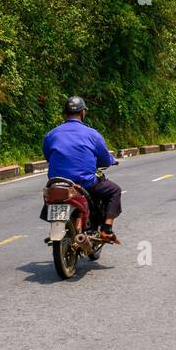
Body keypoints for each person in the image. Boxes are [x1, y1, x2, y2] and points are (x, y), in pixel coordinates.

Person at [43, 96, 122, 244]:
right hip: (84, 183)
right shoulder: (92, 134)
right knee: (114, 190)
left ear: (65, 113)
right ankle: (106, 229)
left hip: (56, 184)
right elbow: (104, 160)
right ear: (83, 113)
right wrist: (111, 160)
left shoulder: (51, 134)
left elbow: (48, 156)